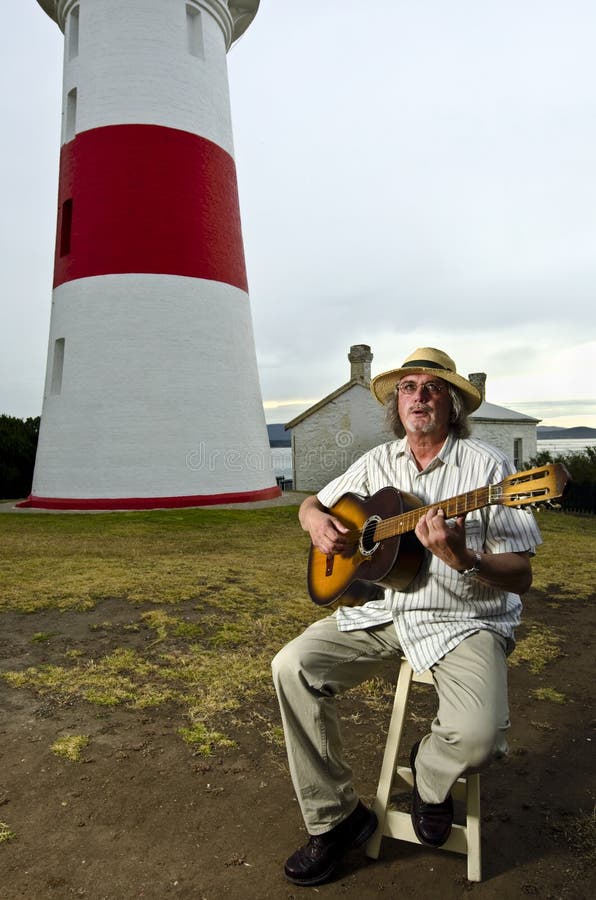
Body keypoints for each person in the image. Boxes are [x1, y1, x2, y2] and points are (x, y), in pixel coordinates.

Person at [272, 347, 542, 887]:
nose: (419, 396)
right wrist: (315, 526)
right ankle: (338, 819)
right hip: (389, 608)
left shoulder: (490, 468)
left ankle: (428, 769)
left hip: (464, 617)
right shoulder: (377, 461)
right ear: (398, 403)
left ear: (452, 405)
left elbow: (521, 575)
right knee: (292, 666)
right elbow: (313, 506)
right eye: (408, 387)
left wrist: (467, 559)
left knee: (480, 736)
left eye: (433, 387)